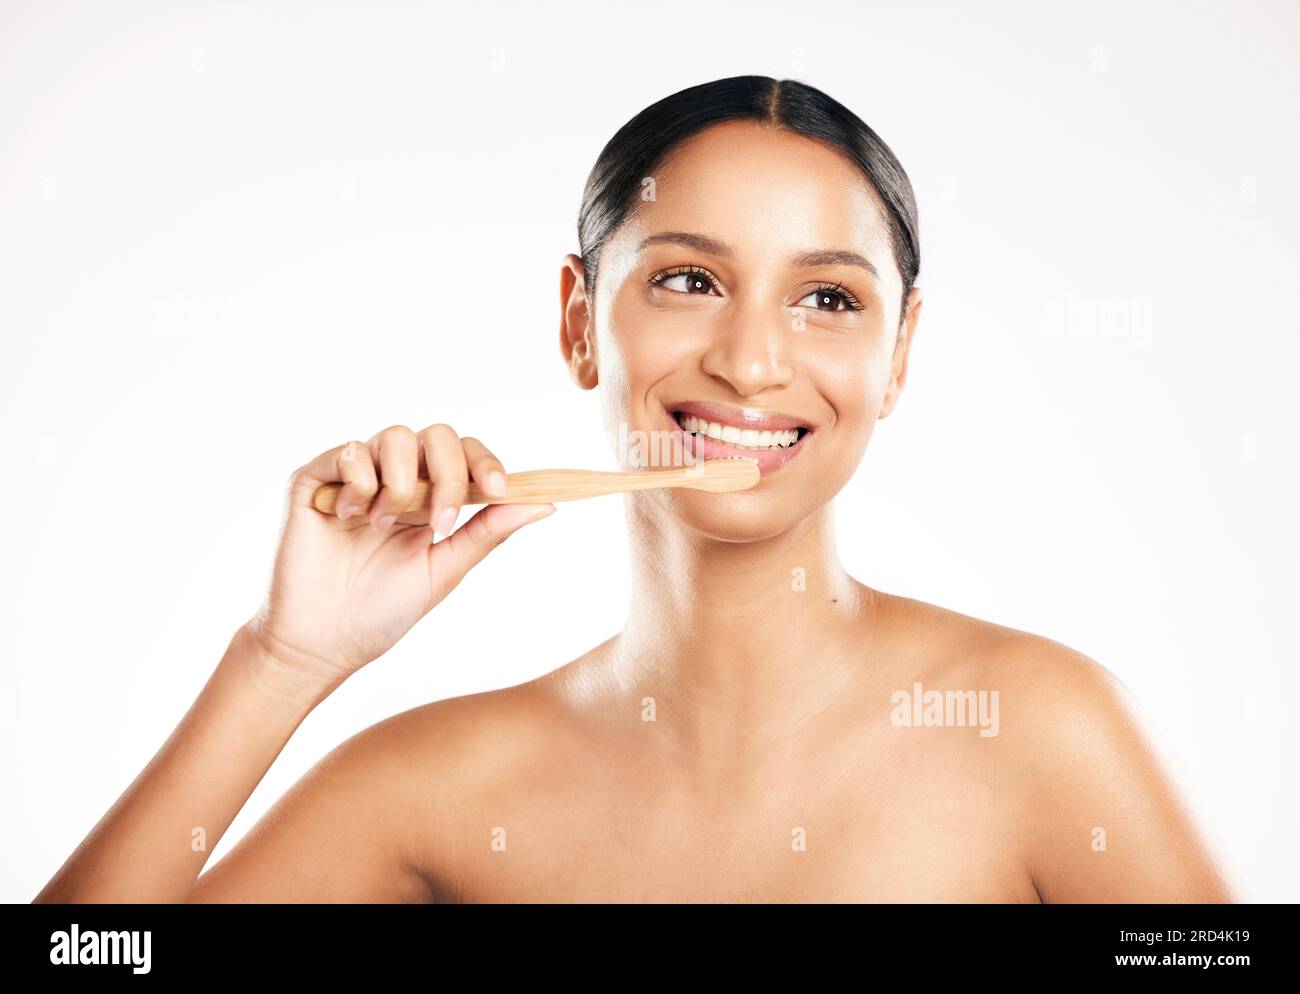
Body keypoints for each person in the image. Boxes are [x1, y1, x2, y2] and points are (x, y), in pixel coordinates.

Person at [34, 75, 1240, 903]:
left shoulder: (1044, 733)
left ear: (902, 352)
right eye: (686, 281)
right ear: (578, 323)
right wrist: (281, 661)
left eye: (827, 298)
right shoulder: (435, 787)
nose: (752, 361)